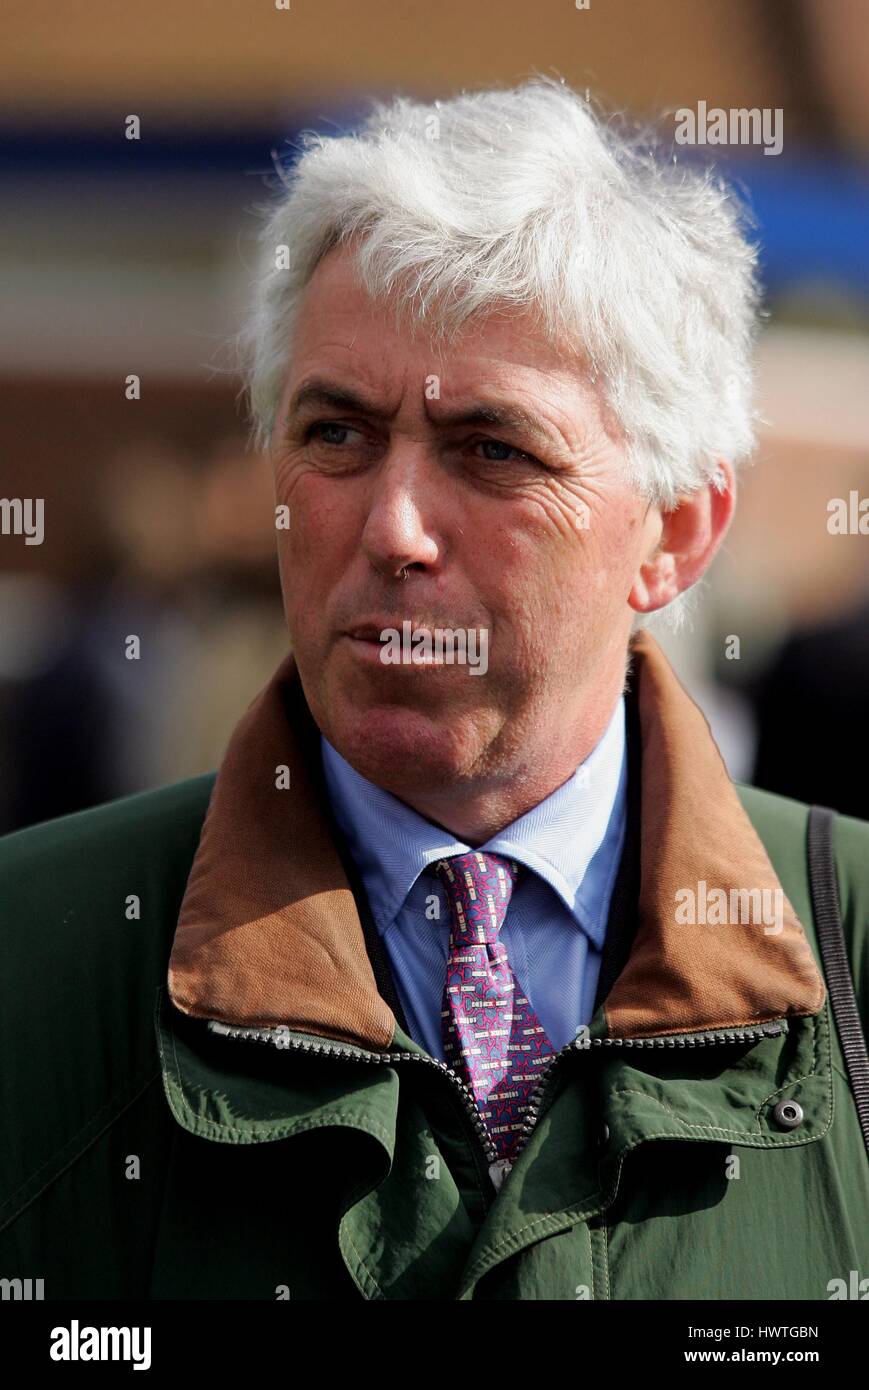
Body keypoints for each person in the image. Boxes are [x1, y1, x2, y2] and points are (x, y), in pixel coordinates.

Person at [1, 77, 867, 1302]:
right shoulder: (36, 964)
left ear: (673, 529)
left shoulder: (846, 951)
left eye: (492, 449)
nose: (393, 526)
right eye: (338, 434)